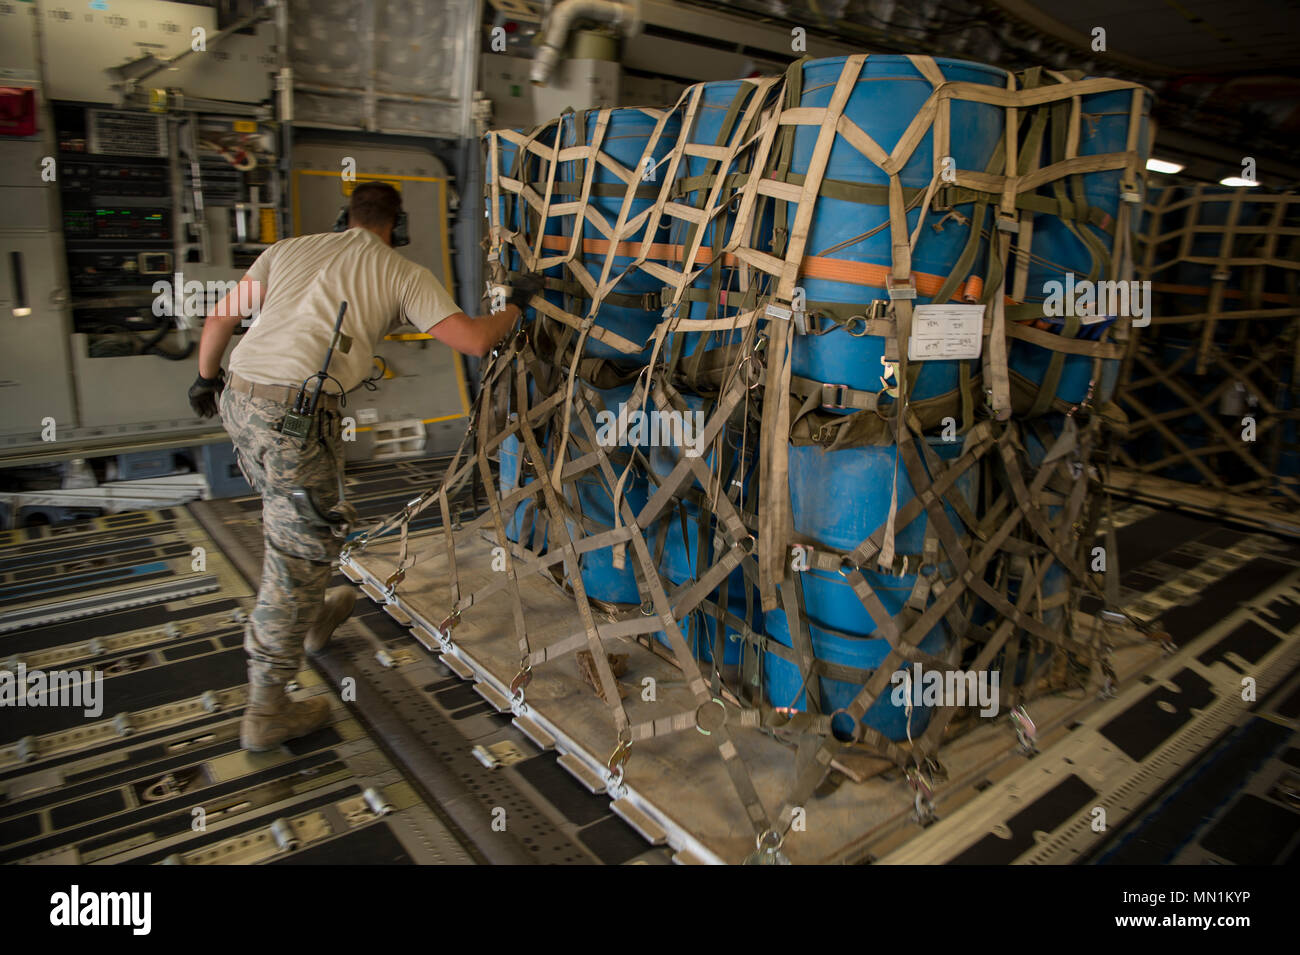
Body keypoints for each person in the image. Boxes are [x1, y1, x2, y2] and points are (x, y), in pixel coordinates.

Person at [188, 180, 540, 752]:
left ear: (341, 217)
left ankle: (312, 612)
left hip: (240, 397)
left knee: (301, 515)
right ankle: (267, 706)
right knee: (297, 548)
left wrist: (205, 379)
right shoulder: (403, 273)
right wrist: (520, 306)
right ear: (396, 228)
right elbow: (475, 342)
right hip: (294, 416)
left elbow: (218, 323)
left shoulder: (286, 250)